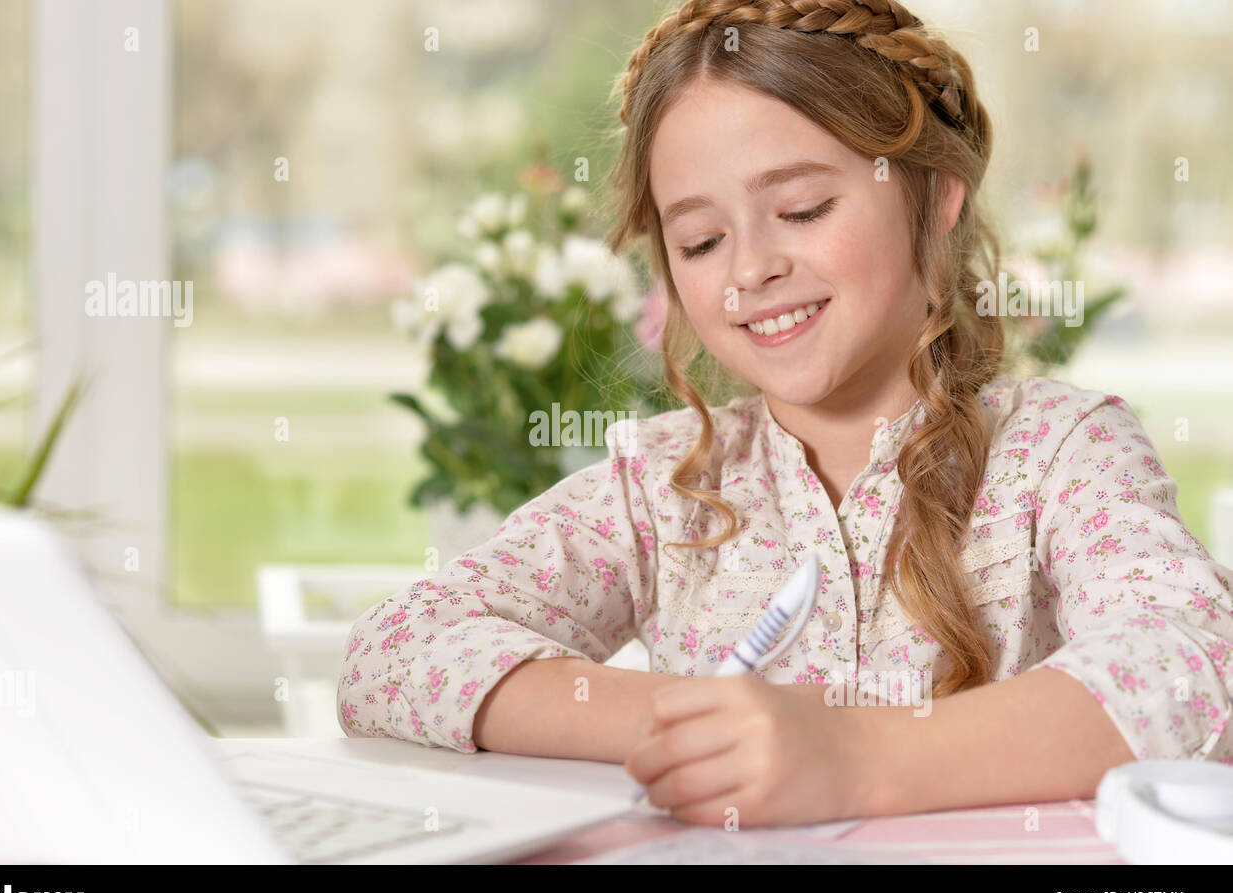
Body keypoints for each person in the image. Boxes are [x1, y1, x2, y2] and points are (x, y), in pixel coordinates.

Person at [337, 0, 1233, 827]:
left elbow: (1194, 667)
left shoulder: (1061, 452)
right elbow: (393, 652)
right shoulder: (664, 485)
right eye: (700, 240)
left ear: (934, 196)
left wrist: (853, 757)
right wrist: (706, 727)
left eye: (801, 209)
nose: (750, 267)